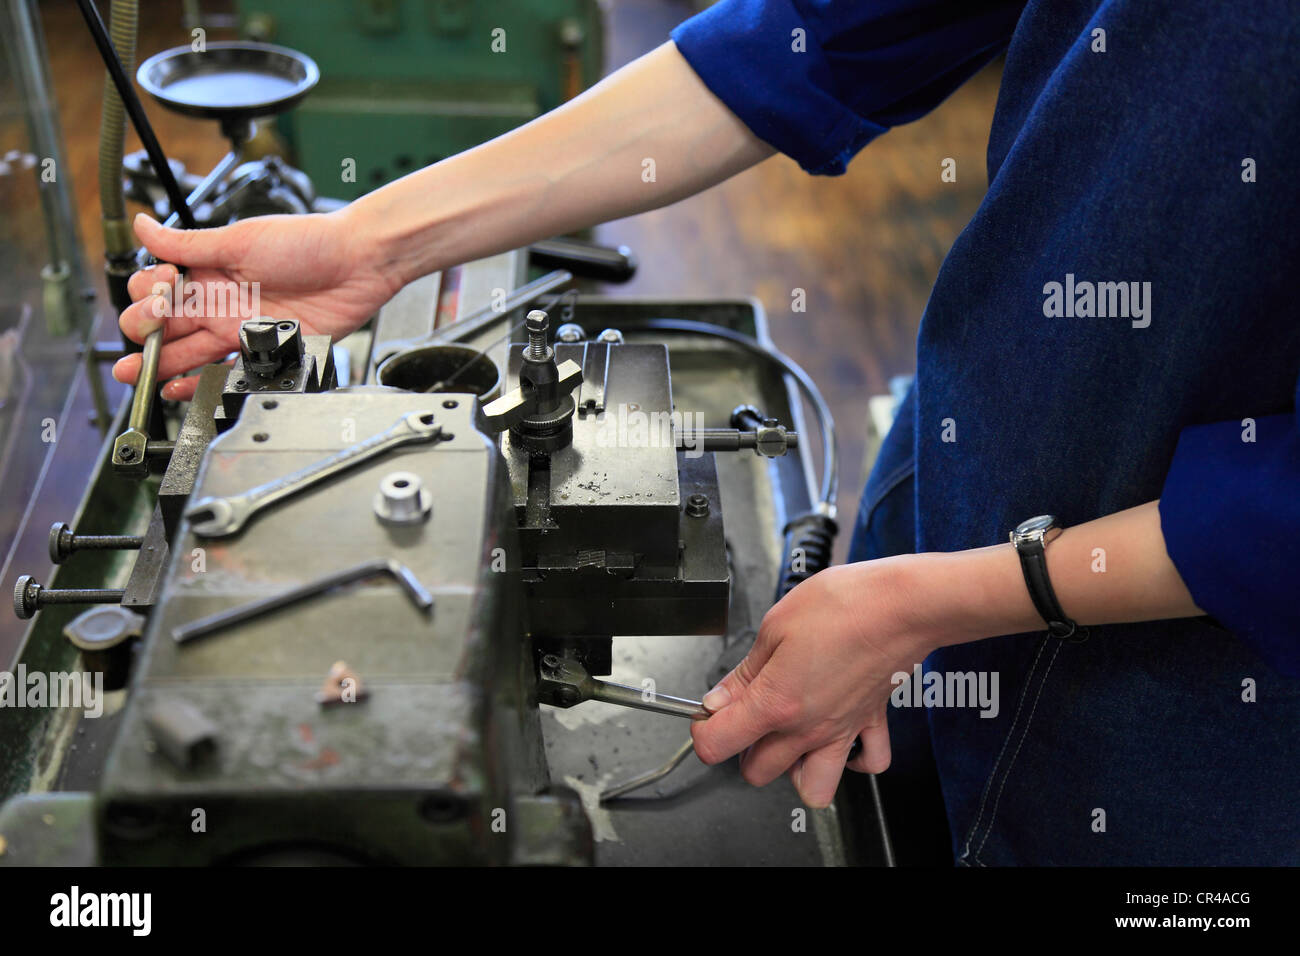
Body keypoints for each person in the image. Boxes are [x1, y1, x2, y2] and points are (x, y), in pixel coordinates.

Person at [113, 0, 1299, 865]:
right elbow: (806, 36)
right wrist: (369, 244)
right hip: (975, 468)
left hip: (1188, 712)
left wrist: (939, 601)